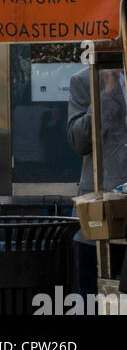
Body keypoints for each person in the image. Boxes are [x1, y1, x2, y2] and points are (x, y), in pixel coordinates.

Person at [67, 64, 127, 293]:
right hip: (101, 211)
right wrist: (105, 97)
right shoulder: (85, 80)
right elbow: (79, 141)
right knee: (93, 296)